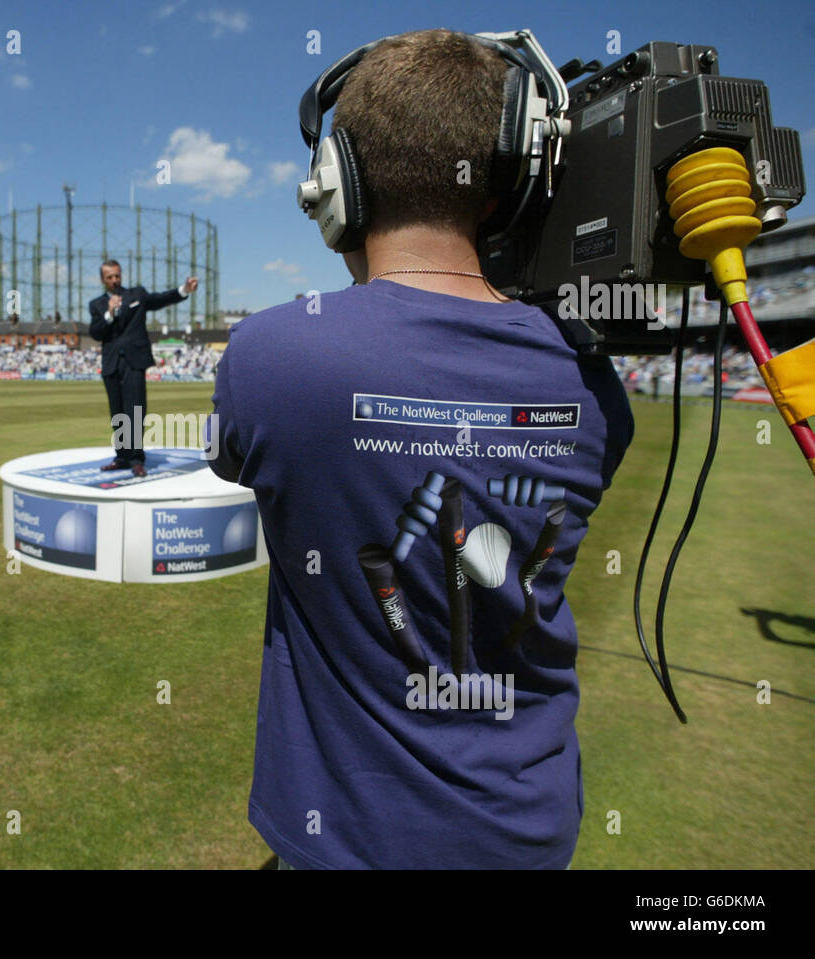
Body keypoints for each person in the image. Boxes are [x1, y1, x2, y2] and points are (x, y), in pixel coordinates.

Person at [207, 29, 634, 869]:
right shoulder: (591, 385)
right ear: (509, 185)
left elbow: (239, 458)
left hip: (350, 842)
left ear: (340, 183)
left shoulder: (272, 357)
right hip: (525, 831)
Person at [88, 259, 198, 476]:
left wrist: (184, 290)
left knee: (135, 411)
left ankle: (136, 458)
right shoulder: (97, 305)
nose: (114, 280)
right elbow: (96, 332)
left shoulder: (136, 295)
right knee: (117, 412)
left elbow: (160, 299)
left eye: (117, 275)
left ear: (121, 275)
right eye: (109, 277)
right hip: (111, 364)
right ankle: (121, 456)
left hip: (134, 361)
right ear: (103, 280)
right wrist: (109, 314)